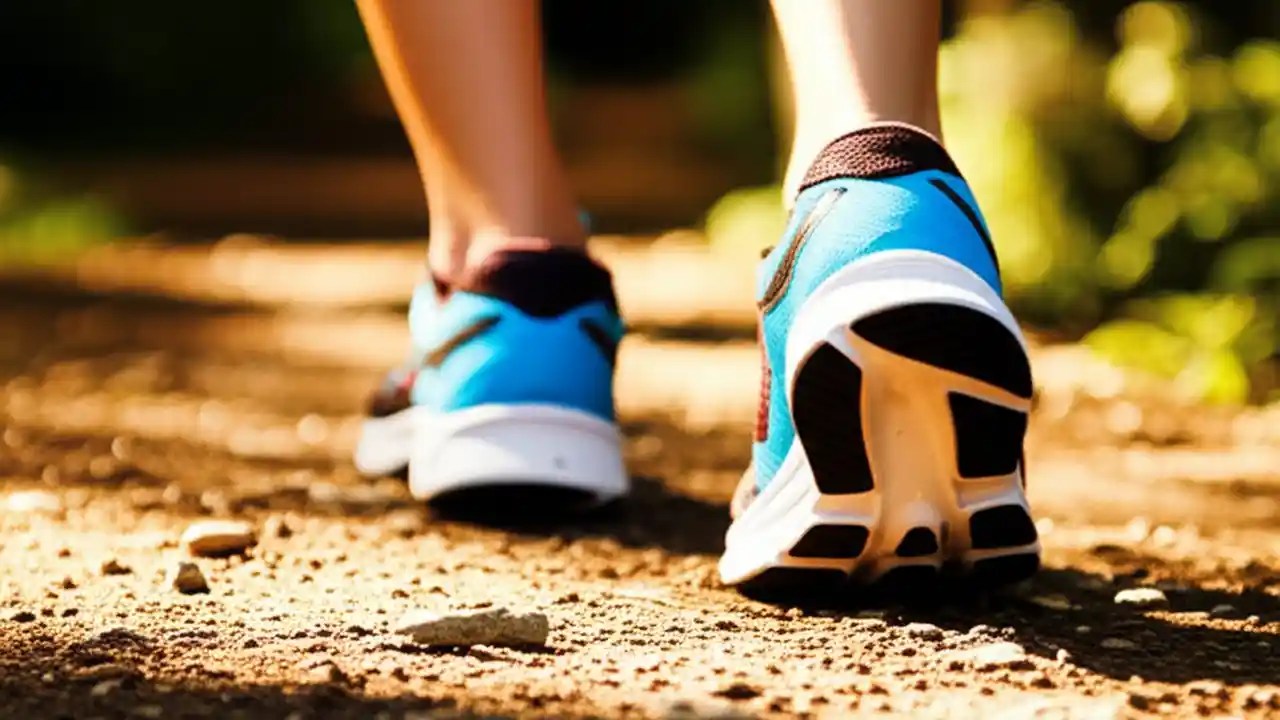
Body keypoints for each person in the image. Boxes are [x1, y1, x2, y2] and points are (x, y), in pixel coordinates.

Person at [351, 0, 1039, 595]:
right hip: (916, 215)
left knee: (505, 236)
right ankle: (885, 205)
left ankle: (499, 291)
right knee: (871, 140)